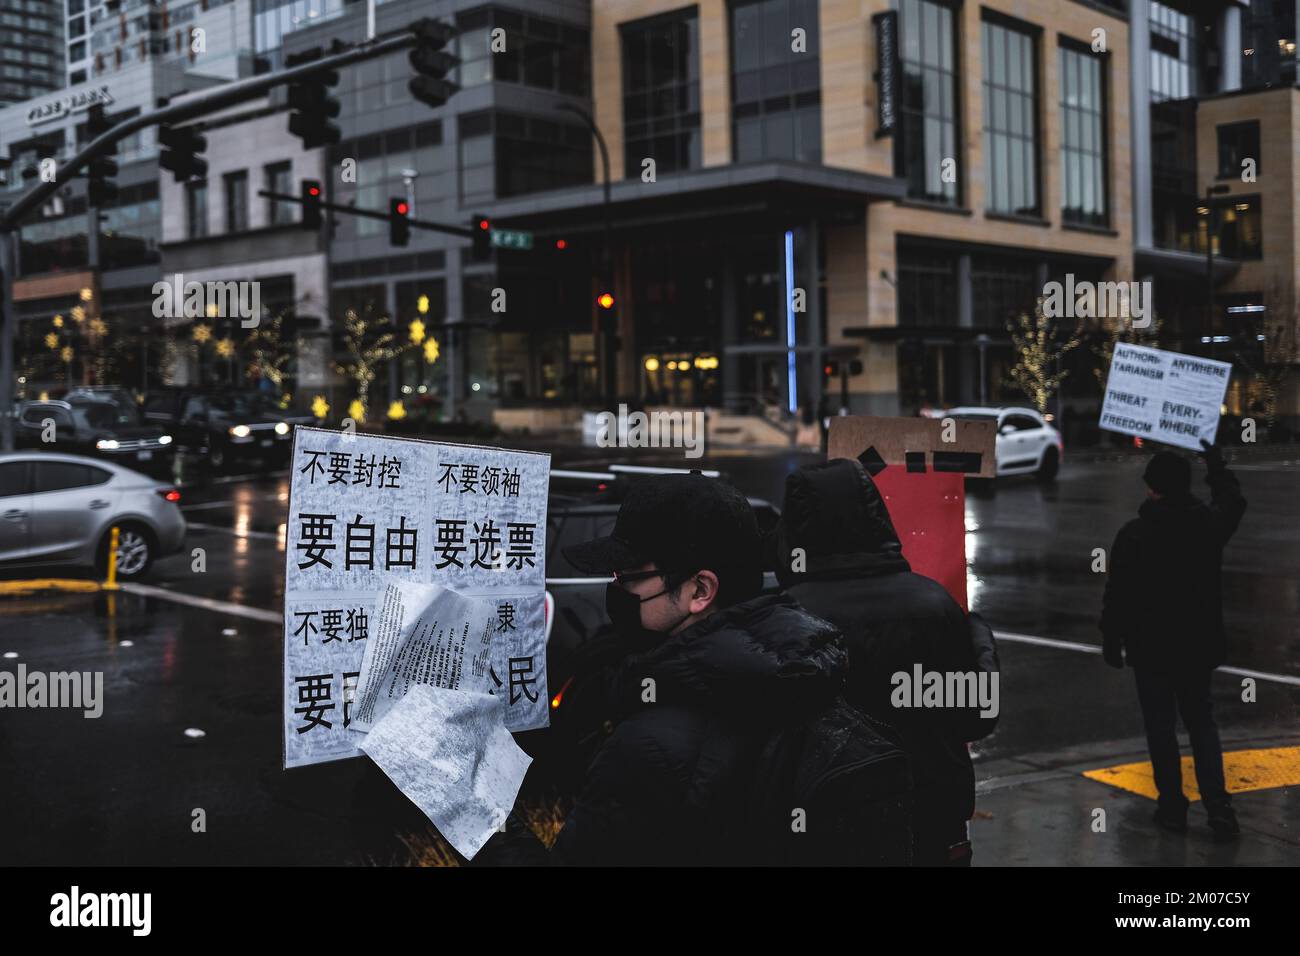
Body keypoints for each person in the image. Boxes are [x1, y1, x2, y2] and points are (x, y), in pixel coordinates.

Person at [476, 473, 910, 865]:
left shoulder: (651, 745)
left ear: (699, 590)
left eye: (629, 576)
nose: (617, 590)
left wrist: (484, 816)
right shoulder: (816, 684)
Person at [773, 457, 979, 866]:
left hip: (831, 825)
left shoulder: (787, 615)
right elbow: (974, 717)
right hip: (931, 818)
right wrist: (981, 646)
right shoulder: (934, 603)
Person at [1100, 440, 1246, 840]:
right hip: (1197, 648)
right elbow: (1233, 501)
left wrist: (1112, 640)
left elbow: (1118, 596)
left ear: (1153, 489)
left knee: (1160, 728)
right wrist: (1215, 461)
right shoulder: (1207, 527)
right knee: (1202, 723)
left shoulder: (1134, 535)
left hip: (1151, 651)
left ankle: (1172, 807)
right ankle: (1219, 807)